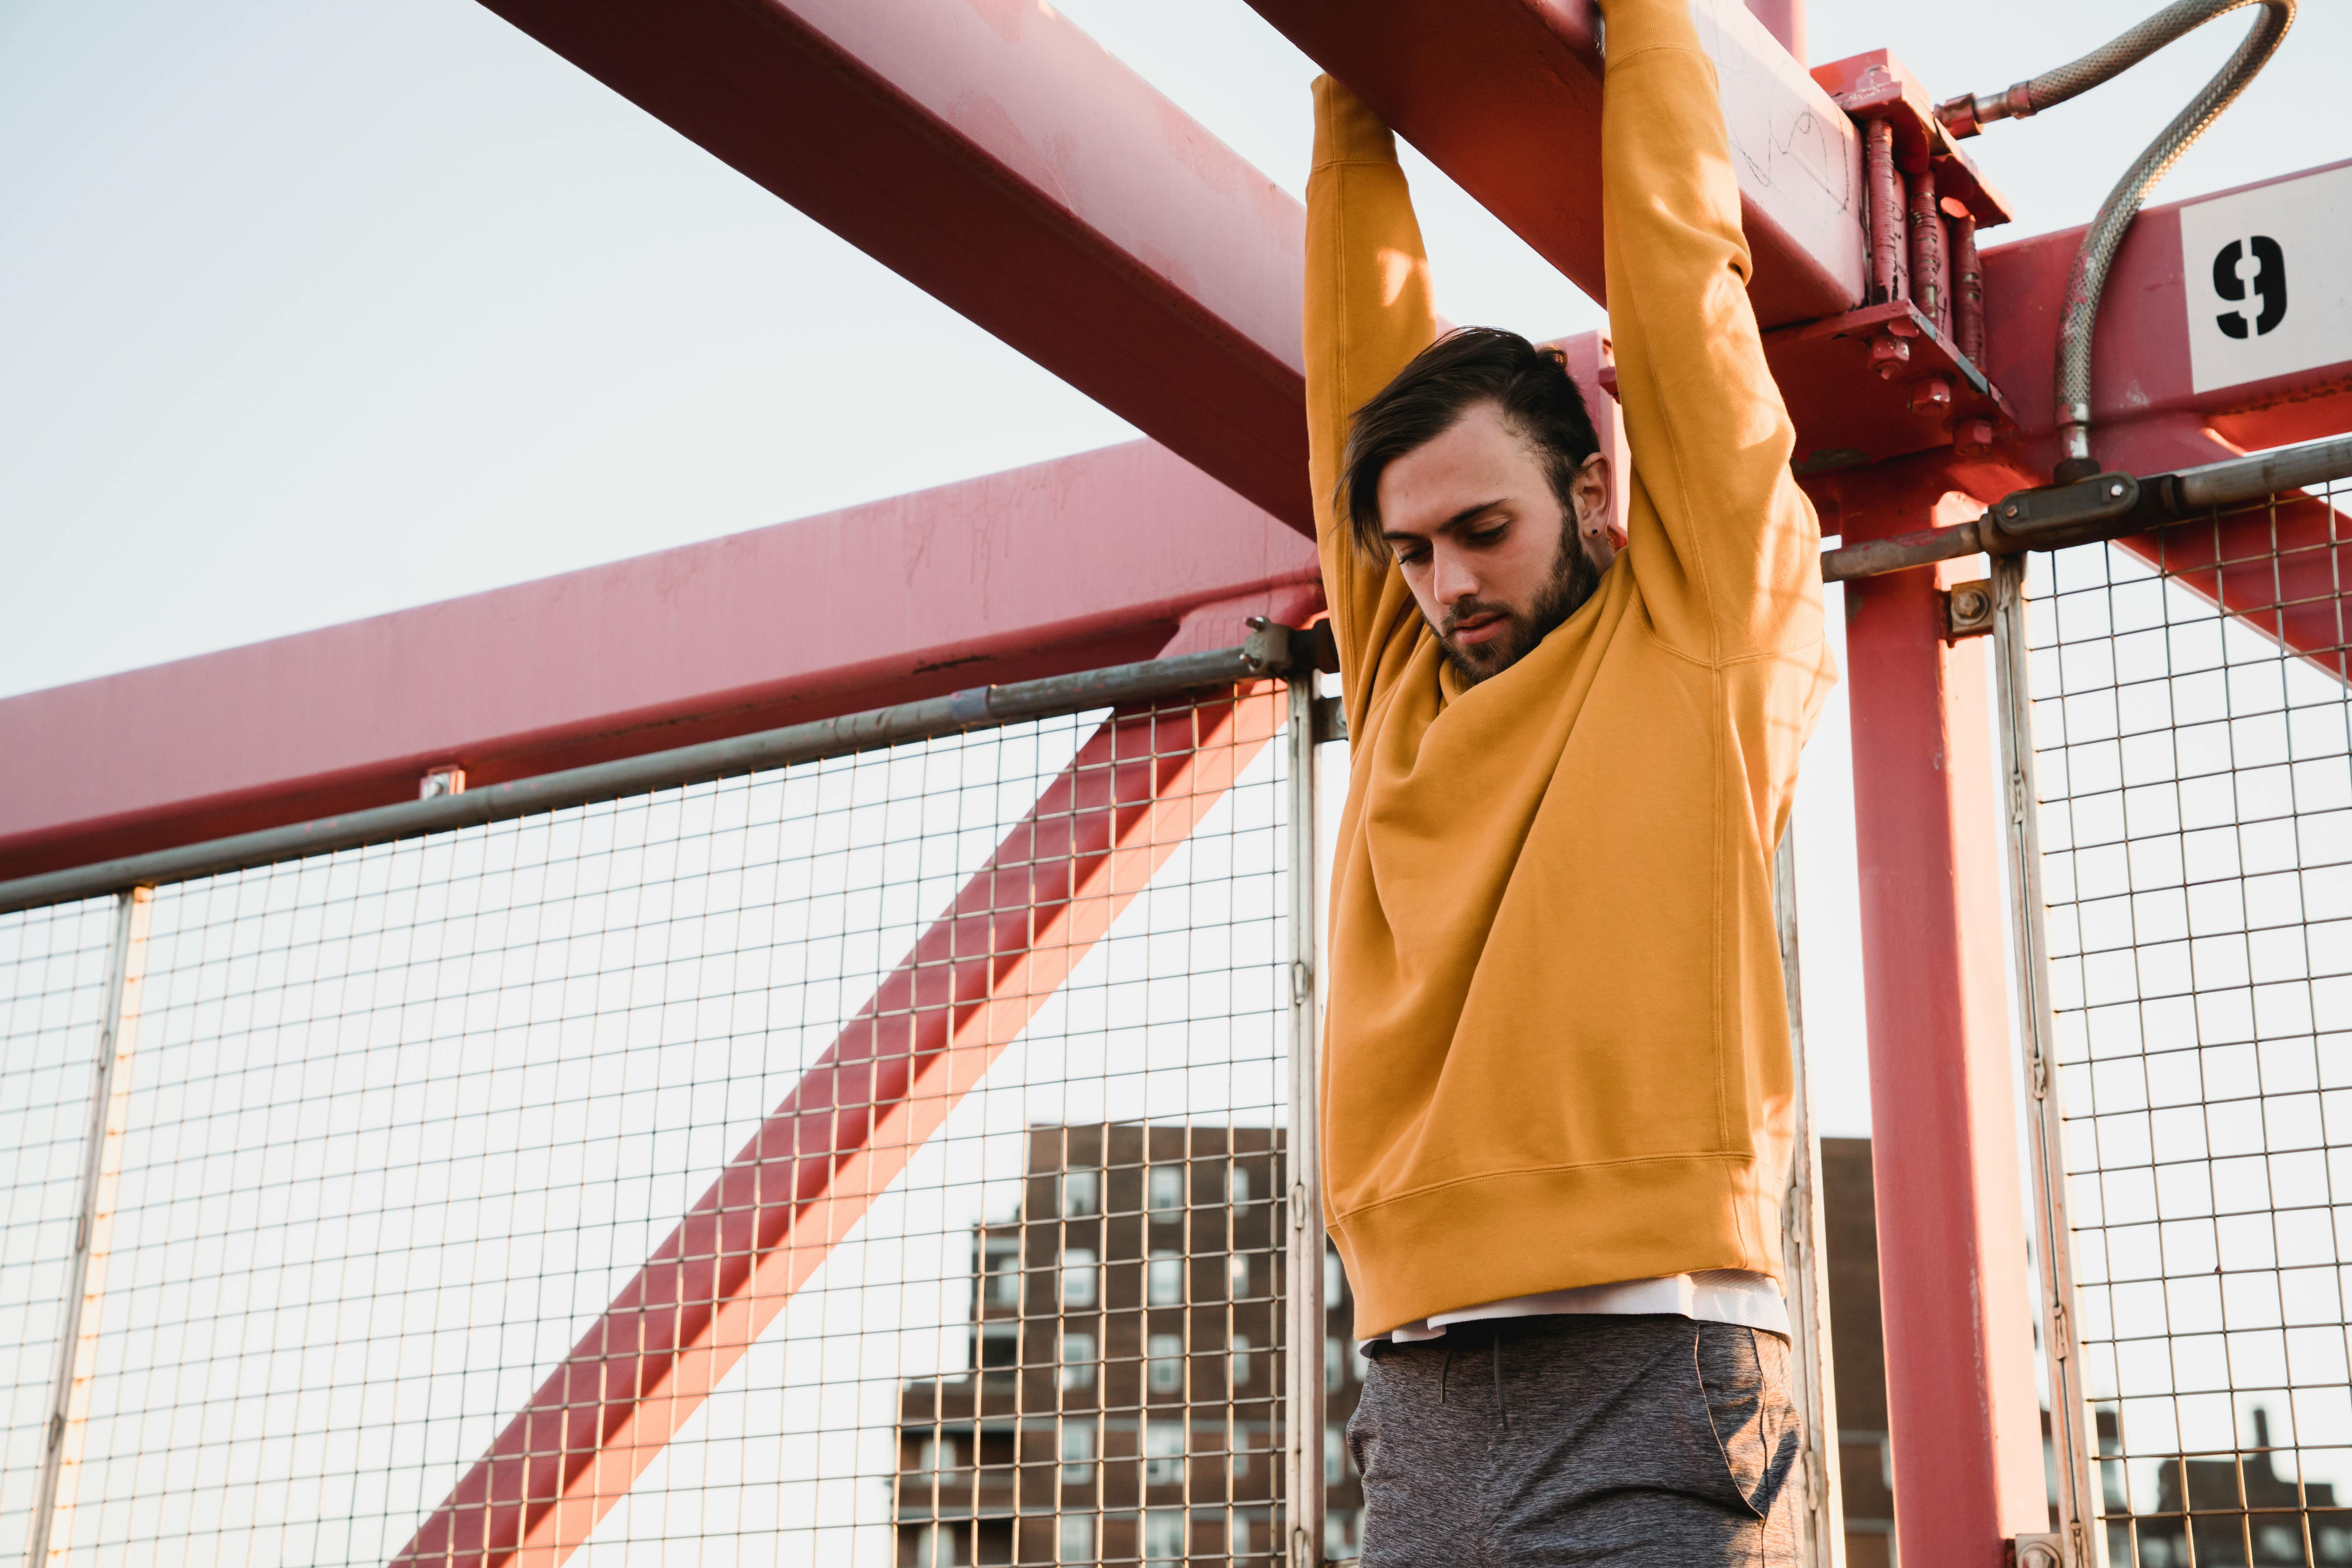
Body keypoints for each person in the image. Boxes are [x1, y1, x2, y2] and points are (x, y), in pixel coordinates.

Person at [1303, 0, 1838, 1558]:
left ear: (1591, 487)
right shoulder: (1404, 673)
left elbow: (1684, 291)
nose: (1442, 579)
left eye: (1485, 530)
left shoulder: (1693, 634)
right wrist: (1353, 67)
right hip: (1418, 1392)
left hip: (1654, 1364)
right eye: (1410, 549)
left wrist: (1656, 19)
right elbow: (1354, 344)